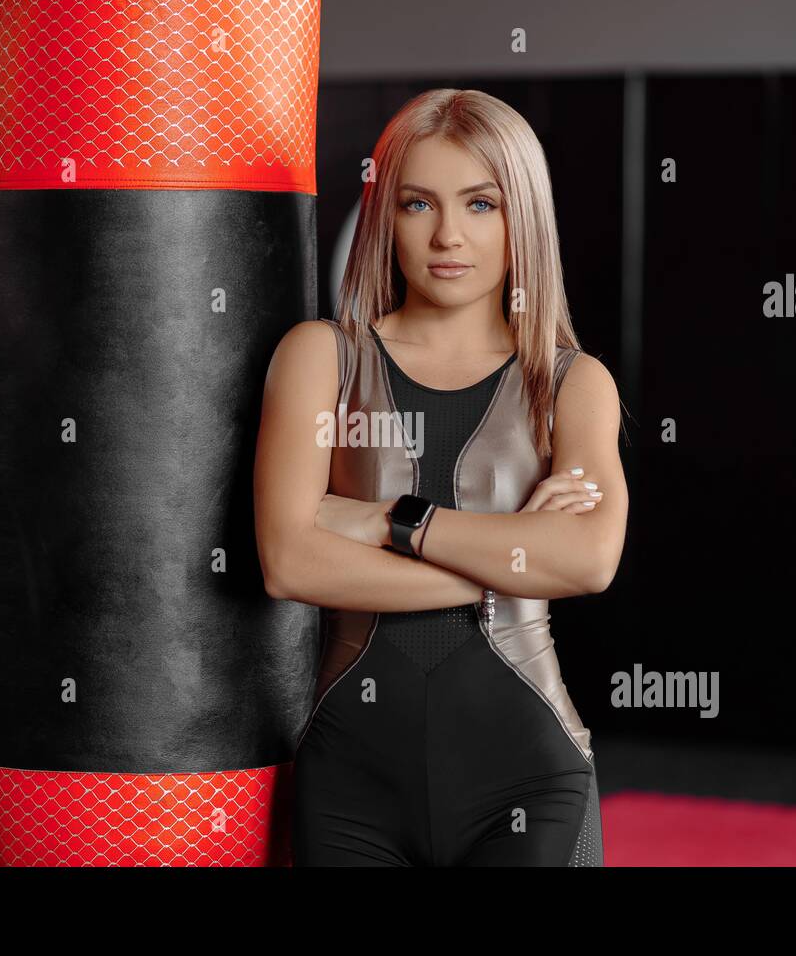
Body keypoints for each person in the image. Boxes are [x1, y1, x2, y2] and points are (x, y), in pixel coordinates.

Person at [254, 88, 628, 866]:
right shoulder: (321, 358)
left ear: (522, 216)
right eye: (418, 203)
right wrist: (513, 560)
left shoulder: (571, 383)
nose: (448, 235)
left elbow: (589, 560)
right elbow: (289, 562)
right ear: (385, 216)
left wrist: (389, 519)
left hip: (530, 782)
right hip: (350, 790)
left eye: (481, 204)